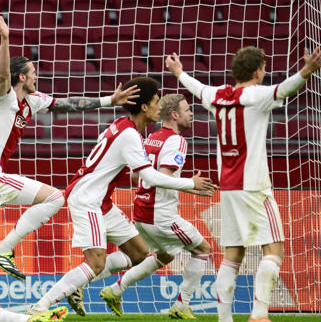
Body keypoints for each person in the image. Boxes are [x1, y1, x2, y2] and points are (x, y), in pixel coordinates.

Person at [0, 10, 140, 281]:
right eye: (31, 74)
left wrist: (108, 101)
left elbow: (66, 104)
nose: (35, 77)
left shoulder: (34, 100)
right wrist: (5, 39)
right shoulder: (3, 98)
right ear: (21, 78)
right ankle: (4, 249)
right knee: (56, 197)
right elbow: (3, 75)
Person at [28, 77, 216, 317]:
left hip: (101, 199)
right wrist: (191, 183)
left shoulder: (122, 126)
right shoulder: (130, 135)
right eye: (157, 101)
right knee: (96, 263)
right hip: (87, 199)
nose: (160, 107)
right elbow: (153, 178)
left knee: (138, 252)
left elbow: (124, 168)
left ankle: (78, 284)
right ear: (145, 107)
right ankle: (40, 307)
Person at [166, 46, 321, 322]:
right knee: (274, 249)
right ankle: (260, 315)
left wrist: (178, 72)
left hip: (228, 186)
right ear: (258, 71)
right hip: (254, 186)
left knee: (233, 253)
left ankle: (224, 318)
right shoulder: (256, 96)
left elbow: (197, 87)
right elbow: (285, 89)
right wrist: (306, 71)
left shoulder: (217, 96)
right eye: (264, 67)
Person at [97, 93, 213, 320]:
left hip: (141, 211)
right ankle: (181, 307)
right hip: (161, 215)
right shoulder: (177, 140)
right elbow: (163, 176)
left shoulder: (150, 138)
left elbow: (135, 177)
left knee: (165, 254)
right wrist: (191, 185)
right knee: (202, 251)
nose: (191, 114)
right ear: (174, 114)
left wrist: (191, 188)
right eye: (187, 109)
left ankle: (112, 289)